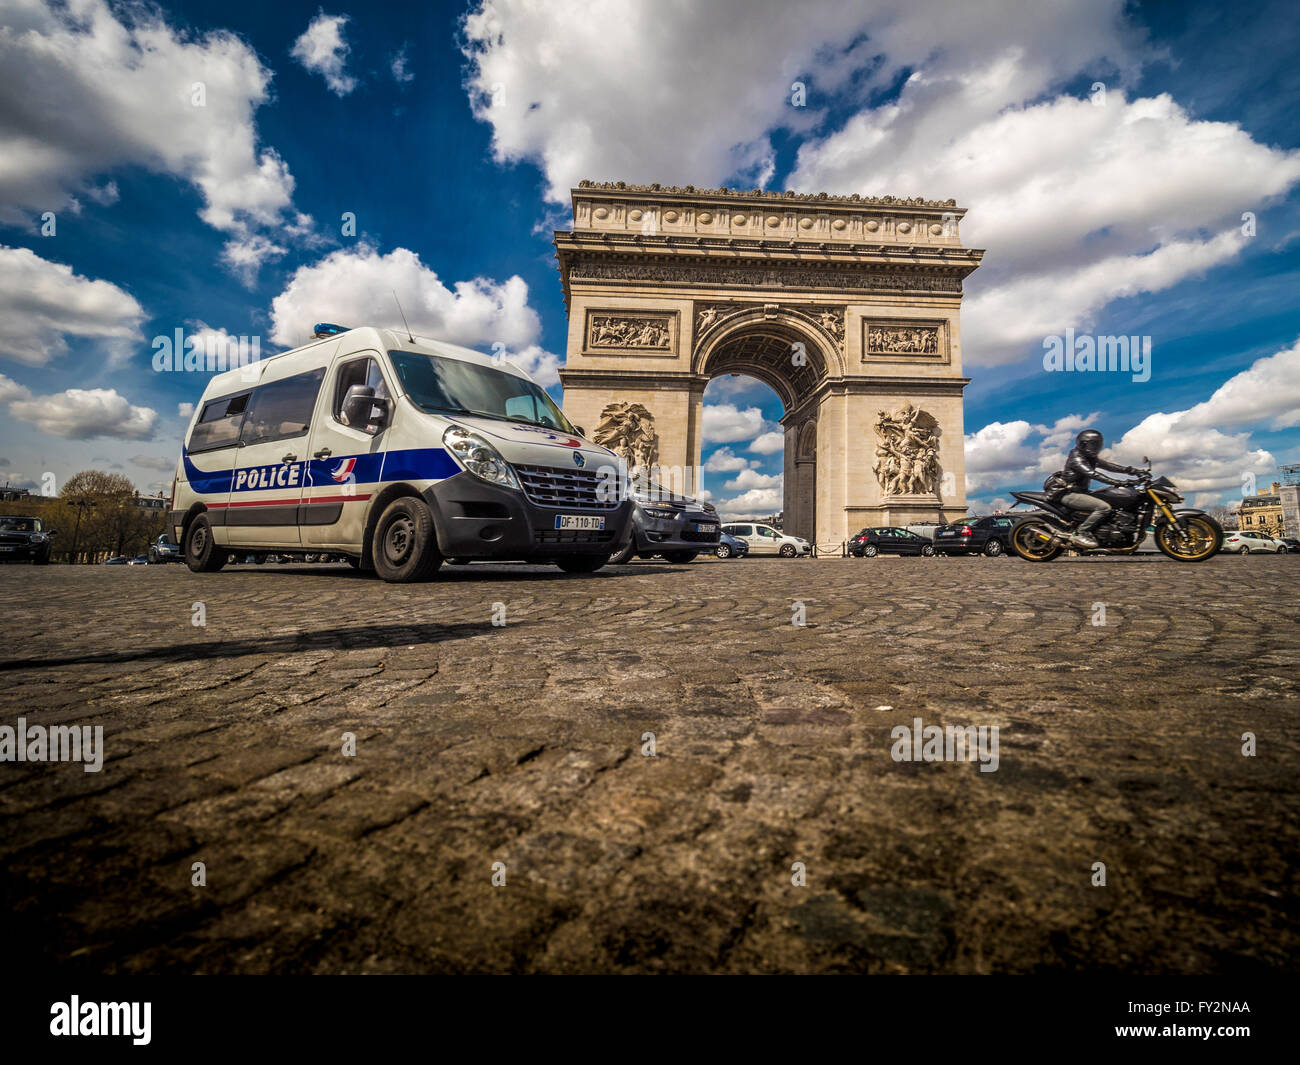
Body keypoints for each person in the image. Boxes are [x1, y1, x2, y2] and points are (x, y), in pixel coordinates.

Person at [1049, 429, 1142, 548]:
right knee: (1103, 507)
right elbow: (1093, 474)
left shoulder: (1089, 457)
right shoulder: (1076, 458)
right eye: (1094, 444)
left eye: (1098, 444)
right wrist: (1118, 482)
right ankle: (1080, 533)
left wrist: (1132, 471)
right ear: (1083, 444)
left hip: (1081, 492)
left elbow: (1110, 466)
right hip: (1068, 494)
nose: (1097, 448)